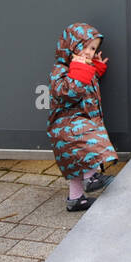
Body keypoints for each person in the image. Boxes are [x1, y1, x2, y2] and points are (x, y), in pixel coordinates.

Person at [47, 22, 117, 212]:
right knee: (91, 139)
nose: (88, 52)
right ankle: (91, 177)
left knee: (76, 164)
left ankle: (75, 199)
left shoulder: (83, 67)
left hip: (78, 123)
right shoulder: (60, 70)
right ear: (71, 46)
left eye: (93, 48)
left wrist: (96, 70)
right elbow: (67, 92)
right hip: (67, 124)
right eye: (84, 47)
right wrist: (82, 70)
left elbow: (87, 84)